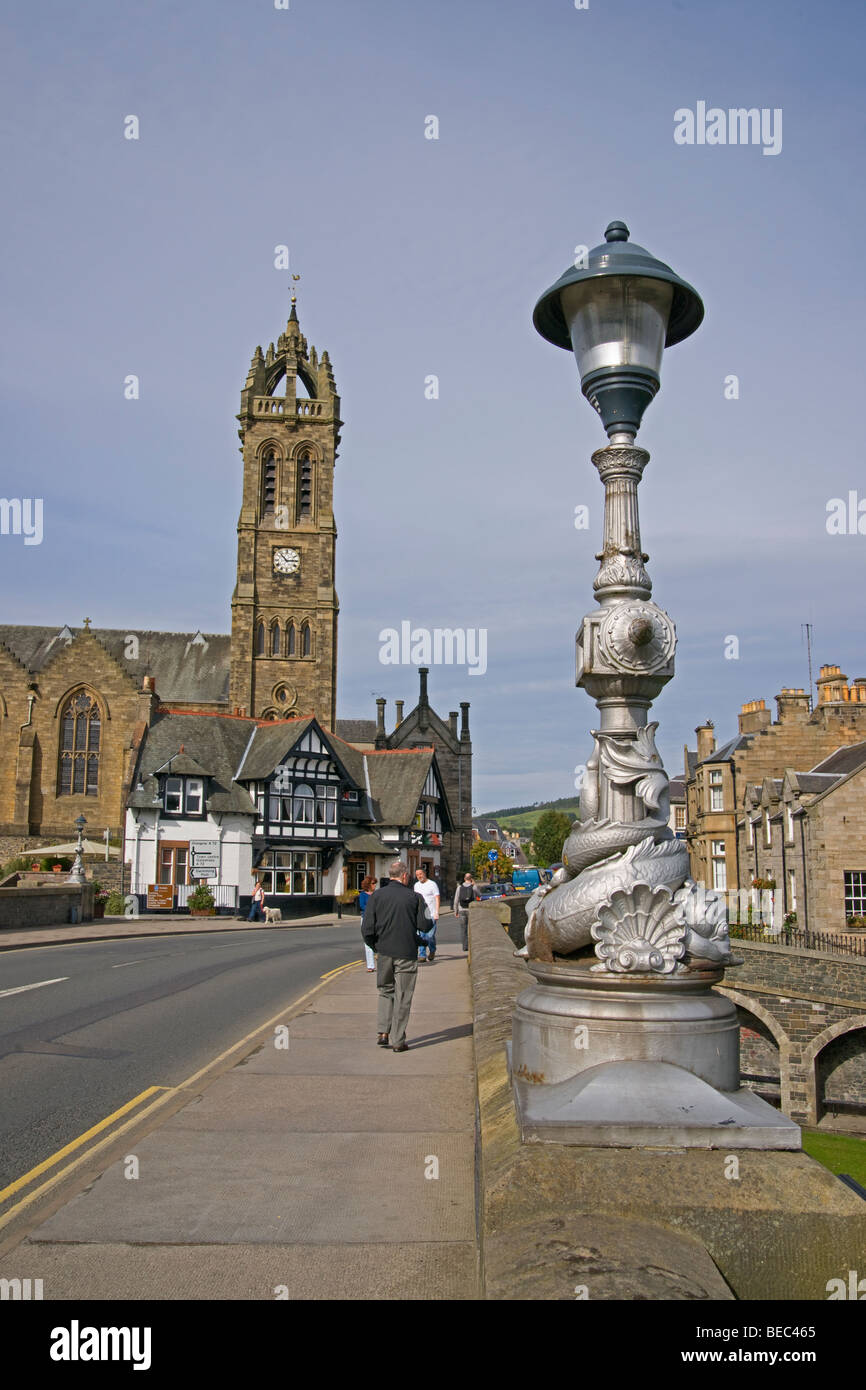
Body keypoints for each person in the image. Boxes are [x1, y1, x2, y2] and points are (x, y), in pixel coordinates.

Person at [362, 859, 427, 1051]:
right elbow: (425, 925)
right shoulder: (414, 897)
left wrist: (376, 946)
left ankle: (383, 1032)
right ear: (405, 875)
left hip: (384, 952)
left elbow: (367, 928)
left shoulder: (376, 896)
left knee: (385, 991)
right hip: (406, 952)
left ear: (390, 875)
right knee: (403, 996)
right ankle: (398, 1041)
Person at [414, 866, 440, 963]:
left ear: (424, 873)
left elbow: (437, 898)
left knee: (429, 936)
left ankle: (432, 950)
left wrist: (437, 912)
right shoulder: (416, 885)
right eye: (417, 875)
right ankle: (422, 955)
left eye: (420, 874)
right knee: (421, 935)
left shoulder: (432, 884)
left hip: (431, 913)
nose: (419, 876)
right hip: (420, 914)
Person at [453, 873, 479, 953]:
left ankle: (465, 947)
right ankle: (472, 945)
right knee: (472, 928)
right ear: (471, 879)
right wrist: (474, 885)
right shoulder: (473, 887)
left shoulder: (459, 887)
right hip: (471, 910)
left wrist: (455, 911)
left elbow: (456, 900)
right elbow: (480, 894)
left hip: (462, 910)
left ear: (464, 879)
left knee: (463, 929)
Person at [358, 875, 376, 970]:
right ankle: (370, 965)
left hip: (377, 919)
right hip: (366, 919)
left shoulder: (377, 894)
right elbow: (362, 906)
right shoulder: (363, 895)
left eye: (375, 883)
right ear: (368, 884)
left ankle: (378, 956)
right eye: (373, 883)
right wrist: (372, 910)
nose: (375, 885)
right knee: (367, 942)